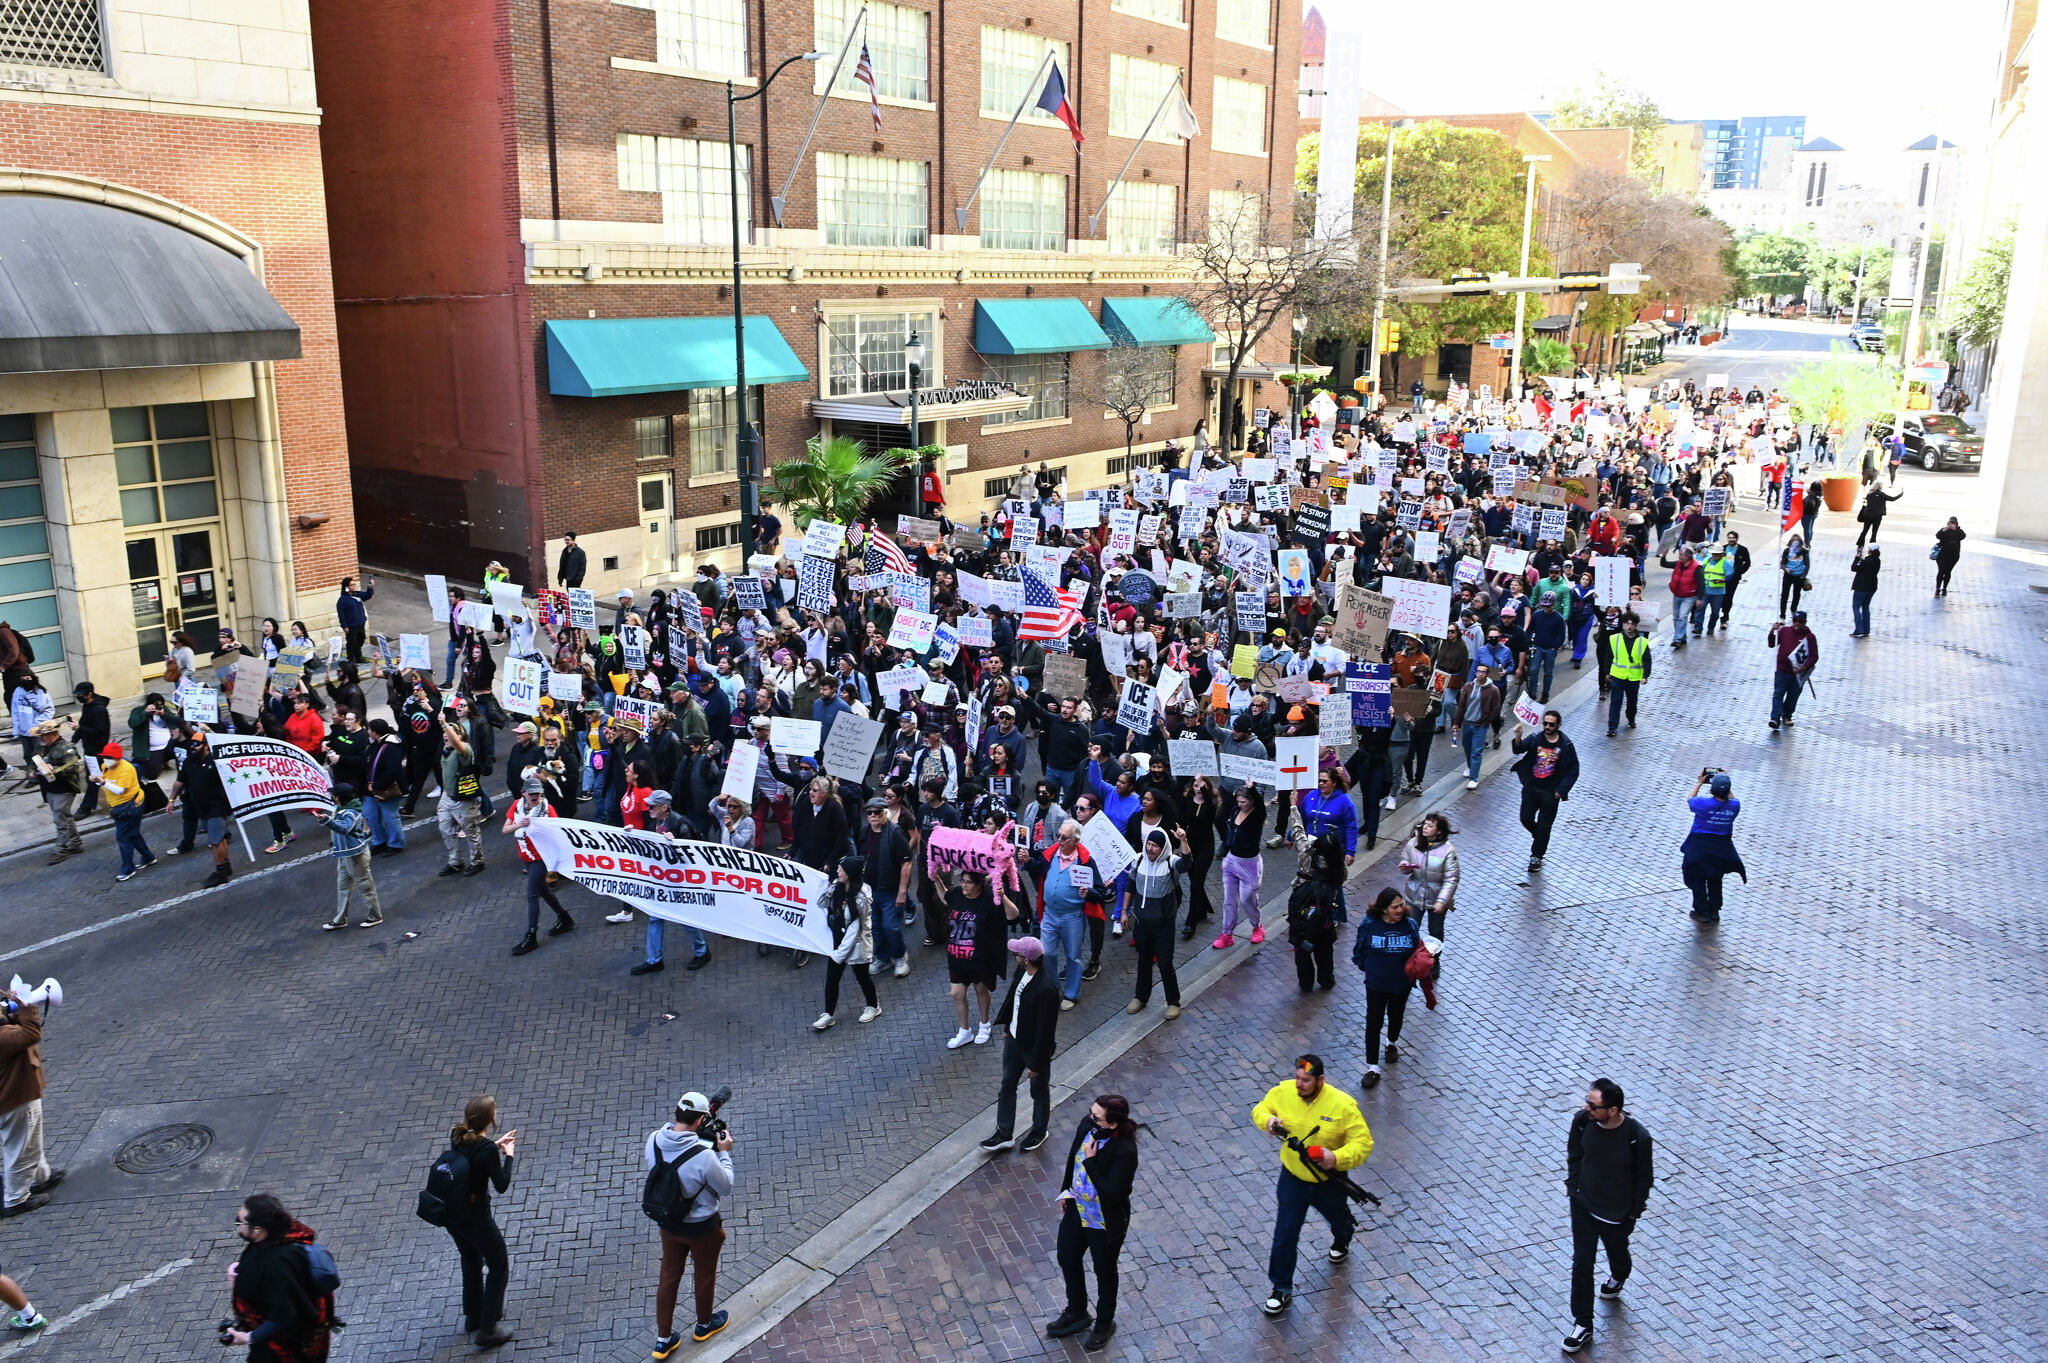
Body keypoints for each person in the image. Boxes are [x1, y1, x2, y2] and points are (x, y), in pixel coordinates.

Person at [1251, 1054, 1373, 1317]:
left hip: (1329, 1182)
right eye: (1297, 1078)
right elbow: (1260, 1109)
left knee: (1339, 1221)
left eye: (1306, 1080)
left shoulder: (1343, 1105)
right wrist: (1268, 1121)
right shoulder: (1283, 1092)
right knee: (1285, 1233)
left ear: (1321, 1080)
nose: (1299, 1084)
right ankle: (1281, 1287)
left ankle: (1343, 1238)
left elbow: (1363, 1143)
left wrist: (1335, 1157)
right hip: (1293, 1178)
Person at [1561, 1078, 1655, 1354]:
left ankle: (1620, 1274)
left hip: (1616, 1214)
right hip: (1584, 1206)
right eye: (1588, 1102)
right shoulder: (1583, 1122)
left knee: (1618, 1254)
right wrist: (1574, 1188)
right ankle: (1583, 1324)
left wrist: (1632, 1214)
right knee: (1581, 1264)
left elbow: (1644, 1178)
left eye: (1593, 1104)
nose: (1586, 1107)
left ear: (1612, 1110)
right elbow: (1574, 1155)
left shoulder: (1637, 1137)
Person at [643, 1089, 736, 1352]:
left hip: (668, 1222)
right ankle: (704, 1325)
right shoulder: (704, 1155)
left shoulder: (653, 1140)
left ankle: (663, 1340)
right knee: (705, 1274)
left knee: (669, 1275)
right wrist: (724, 1152)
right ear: (699, 1121)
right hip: (702, 1226)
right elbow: (726, 1186)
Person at [1046, 1094, 1139, 1354]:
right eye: (1091, 1112)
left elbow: (1111, 1193)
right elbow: (1071, 1161)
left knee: (1104, 1271)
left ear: (1112, 1124)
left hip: (1104, 1221)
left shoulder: (1125, 1151)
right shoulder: (1086, 1127)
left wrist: (1091, 1161)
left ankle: (1104, 1322)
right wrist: (1067, 1190)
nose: (1090, 1119)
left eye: (1097, 1117)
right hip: (1078, 1209)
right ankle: (1077, 1312)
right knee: (1067, 1257)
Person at [439, 1097, 518, 1348]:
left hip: (454, 1216)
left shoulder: (457, 1134)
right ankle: (488, 1327)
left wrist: (493, 1146)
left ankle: (473, 1316)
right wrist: (508, 1155)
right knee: (499, 1266)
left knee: (470, 1260)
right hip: (476, 1218)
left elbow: (472, 1158)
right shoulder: (484, 1150)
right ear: (490, 1120)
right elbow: (502, 1185)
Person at [225, 1193, 335, 1361]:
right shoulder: (286, 1234)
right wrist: (240, 1269)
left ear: (258, 1230)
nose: (237, 1225)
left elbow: (283, 1316)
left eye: (239, 1221)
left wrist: (247, 1337)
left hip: (284, 1347)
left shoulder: (275, 1268)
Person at [980, 936, 1059, 1154]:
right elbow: (1013, 999)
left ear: (1026, 959)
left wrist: (1035, 1064)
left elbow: (1045, 1031)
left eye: (1017, 954)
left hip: (1033, 1049)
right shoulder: (1022, 973)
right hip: (1014, 1042)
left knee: (1039, 1091)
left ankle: (1039, 1130)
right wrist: (1007, 1028)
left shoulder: (1046, 990)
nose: (1013, 956)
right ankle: (1004, 1133)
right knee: (1007, 1085)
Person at [1352, 888, 1423, 1089]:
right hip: (1376, 984)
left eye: (1401, 905)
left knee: (1396, 1015)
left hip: (1401, 984)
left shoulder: (1409, 925)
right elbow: (1360, 950)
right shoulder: (1369, 924)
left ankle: (1391, 1043)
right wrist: (1369, 969)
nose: (1400, 909)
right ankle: (1372, 1067)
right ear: (1384, 909)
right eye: (1395, 907)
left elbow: (1416, 949)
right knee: (1373, 1022)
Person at [0, 986, 60, 1217]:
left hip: (13, 1099)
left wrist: (15, 1010)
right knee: (22, 1149)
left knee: (28, 1142)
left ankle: (41, 1176)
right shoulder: (3, 1037)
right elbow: (29, 1034)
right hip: (16, 1100)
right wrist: (26, 1006)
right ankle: (16, 1199)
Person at [945, 869, 1015, 1047]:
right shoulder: (957, 895)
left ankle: (984, 1024)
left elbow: (1012, 914)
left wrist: (1003, 896)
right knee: (956, 994)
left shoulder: (989, 898)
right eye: (962, 881)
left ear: (978, 885)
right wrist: (936, 878)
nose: (963, 885)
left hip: (980, 958)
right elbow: (945, 898)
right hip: (957, 958)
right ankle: (964, 1031)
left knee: (981, 991)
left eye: (968, 882)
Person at [1123, 828, 1189, 1017]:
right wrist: (1124, 912)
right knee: (1143, 961)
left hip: (1163, 925)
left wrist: (1184, 841)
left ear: (1163, 848)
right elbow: (1130, 885)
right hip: (1143, 923)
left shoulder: (1171, 863)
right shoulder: (1139, 860)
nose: (1150, 849)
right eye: (1149, 844)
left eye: (1155, 846)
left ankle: (1173, 1002)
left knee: (1165, 963)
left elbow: (1186, 863)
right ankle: (1140, 997)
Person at [505, 776, 573, 955]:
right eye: (532, 793)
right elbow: (505, 829)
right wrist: (520, 824)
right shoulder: (517, 807)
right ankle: (564, 918)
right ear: (524, 793)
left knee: (532, 894)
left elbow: (559, 832)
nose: (535, 796)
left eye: (538, 793)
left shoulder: (548, 809)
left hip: (541, 859)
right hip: (527, 857)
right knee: (543, 891)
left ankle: (531, 935)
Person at [814, 856, 881, 1030]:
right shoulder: (837, 886)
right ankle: (828, 1013)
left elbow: (856, 929)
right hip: (838, 941)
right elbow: (821, 902)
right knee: (832, 979)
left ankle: (873, 1006)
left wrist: (839, 954)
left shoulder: (861, 898)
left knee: (862, 977)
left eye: (841, 869)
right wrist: (825, 885)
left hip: (857, 945)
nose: (838, 871)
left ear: (849, 873)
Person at [312, 783, 382, 929]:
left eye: (334, 794)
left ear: (339, 797)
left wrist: (327, 821)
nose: (331, 796)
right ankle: (340, 919)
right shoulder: (341, 809)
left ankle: (375, 916)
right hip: (345, 854)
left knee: (365, 885)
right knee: (343, 886)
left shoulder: (349, 812)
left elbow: (344, 829)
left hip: (355, 854)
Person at [1284, 832, 1345, 993]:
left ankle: (1306, 984)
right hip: (1323, 919)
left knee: (1302, 954)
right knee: (1324, 952)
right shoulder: (1339, 870)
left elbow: (1298, 834)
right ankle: (1326, 980)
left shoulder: (1306, 857)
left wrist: (1293, 808)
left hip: (1302, 918)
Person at [1680, 770, 1744, 923]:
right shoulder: (1735, 806)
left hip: (1700, 846)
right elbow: (1732, 798)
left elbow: (1690, 798)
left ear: (1712, 789)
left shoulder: (1702, 803)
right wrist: (1725, 781)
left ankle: (1702, 911)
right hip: (1721, 847)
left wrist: (1700, 782)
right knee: (1716, 877)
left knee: (1697, 877)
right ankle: (1715, 910)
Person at [91, 741, 155, 882]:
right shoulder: (106, 767)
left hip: (130, 807)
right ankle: (148, 857)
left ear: (117, 758)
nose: (105, 760)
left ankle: (128, 868)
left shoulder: (126, 769)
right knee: (133, 834)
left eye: (108, 757)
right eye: (104, 757)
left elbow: (120, 790)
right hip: (119, 806)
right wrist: (97, 780)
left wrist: (102, 782)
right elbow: (104, 781)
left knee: (123, 837)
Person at [28, 720, 83, 864]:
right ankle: (75, 843)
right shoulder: (41, 748)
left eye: (44, 735)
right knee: (65, 816)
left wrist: (55, 769)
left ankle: (61, 849)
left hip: (64, 788)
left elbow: (72, 767)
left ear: (54, 734)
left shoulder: (67, 748)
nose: (41, 738)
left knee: (60, 819)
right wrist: (32, 772)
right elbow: (32, 763)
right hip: (50, 789)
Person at [1396, 812, 1459, 939]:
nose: (1425, 827)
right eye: (1425, 824)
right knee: (1410, 929)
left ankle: (1434, 957)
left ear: (1439, 831)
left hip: (1436, 897)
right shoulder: (1413, 843)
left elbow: (1451, 879)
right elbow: (1405, 859)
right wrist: (1405, 866)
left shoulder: (1448, 851)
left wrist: (1441, 901)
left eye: (1430, 826)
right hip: (1414, 894)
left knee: (1435, 931)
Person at [1767, 610, 1818, 731]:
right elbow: (1771, 644)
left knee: (1793, 695)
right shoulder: (1784, 631)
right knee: (1778, 693)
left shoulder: (1809, 637)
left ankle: (1787, 715)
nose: (1797, 624)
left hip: (1798, 673)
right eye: (1795, 621)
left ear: (1805, 622)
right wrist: (1772, 631)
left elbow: (1814, 656)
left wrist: (1804, 667)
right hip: (1782, 670)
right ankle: (1775, 718)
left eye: (1800, 622)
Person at [1604, 614, 1650, 737]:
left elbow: (1646, 660)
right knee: (1616, 702)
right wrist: (1607, 672)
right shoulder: (1614, 639)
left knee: (1632, 702)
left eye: (1632, 624)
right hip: (1618, 676)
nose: (1629, 626)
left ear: (1636, 626)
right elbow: (1609, 656)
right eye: (1627, 623)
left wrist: (1645, 675)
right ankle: (1612, 727)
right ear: (1623, 624)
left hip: (1634, 677)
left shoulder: (1642, 642)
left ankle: (1631, 719)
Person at [335, 573, 375, 664]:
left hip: (360, 624)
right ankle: (351, 659)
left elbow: (367, 595)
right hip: (351, 626)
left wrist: (370, 587)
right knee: (351, 643)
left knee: (360, 640)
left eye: (354, 584)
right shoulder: (342, 600)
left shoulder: (357, 594)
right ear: (346, 587)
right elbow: (341, 615)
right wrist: (344, 626)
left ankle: (358, 657)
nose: (354, 586)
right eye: (351, 585)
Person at [1849, 544, 1881, 637]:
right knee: (1865, 607)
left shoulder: (1866, 562)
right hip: (1871, 587)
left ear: (1870, 551)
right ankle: (1866, 629)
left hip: (1861, 587)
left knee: (1856, 607)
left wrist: (1857, 559)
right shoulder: (1877, 560)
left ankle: (1859, 629)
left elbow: (1854, 568)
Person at [1933, 517, 1965, 596]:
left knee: (1947, 572)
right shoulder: (1944, 530)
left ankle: (1944, 588)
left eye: (1953, 523)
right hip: (1942, 555)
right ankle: (1937, 588)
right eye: (1950, 523)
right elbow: (1937, 535)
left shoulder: (1959, 531)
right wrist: (1945, 529)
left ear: (1957, 524)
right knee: (1941, 571)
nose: (1951, 525)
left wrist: (1956, 529)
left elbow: (1963, 536)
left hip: (1953, 556)